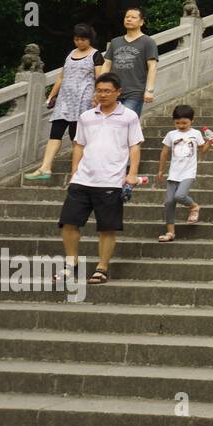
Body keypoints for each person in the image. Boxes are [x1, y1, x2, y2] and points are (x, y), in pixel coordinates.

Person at [57, 72, 143, 285]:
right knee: (68, 222)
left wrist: (131, 174)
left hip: (111, 180)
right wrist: (74, 170)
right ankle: (71, 264)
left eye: (107, 91)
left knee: (107, 227)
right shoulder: (86, 116)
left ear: (118, 92)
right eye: (99, 90)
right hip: (82, 179)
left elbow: (135, 146)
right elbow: (79, 145)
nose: (102, 95)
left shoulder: (129, 116)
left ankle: (102, 267)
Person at [25, 24, 106, 181]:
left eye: (83, 39)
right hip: (64, 100)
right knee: (55, 133)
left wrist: (98, 96)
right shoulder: (71, 54)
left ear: (90, 39)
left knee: (76, 137)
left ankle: (77, 173)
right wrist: (51, 95)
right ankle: (45, 168)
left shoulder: (96, 55)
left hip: (83, 101)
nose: (79, 42)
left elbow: (100, 78)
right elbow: (62, 76)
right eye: (76, 39)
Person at [157, 104, 212, 242]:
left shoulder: (196, 134)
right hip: (173, 173)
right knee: (169, 202)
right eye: (177, 123)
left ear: (192, 120)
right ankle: (170, 233)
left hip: (188, 172)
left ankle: (194, 206)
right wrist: (161, 170)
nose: (181, 126)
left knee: (180, 195)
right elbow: (164, 152)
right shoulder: (171, 134)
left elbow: (202, 150)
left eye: (184, 123)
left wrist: (209, 143)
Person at [104, 8, 158, 117]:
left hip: (135, 92)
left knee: (125, 121)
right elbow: (107, 64)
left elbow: (152, 66)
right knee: (112, 122)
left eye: (133, 17)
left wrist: (149, 90)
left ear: (141, 22)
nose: (129, 19)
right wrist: (101, 86)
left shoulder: (148, 42)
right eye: (127, 17)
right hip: (113, 90)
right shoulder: (115, 42)